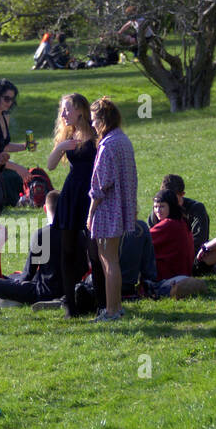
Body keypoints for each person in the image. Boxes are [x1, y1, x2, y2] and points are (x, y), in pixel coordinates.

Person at [87, 96, 138, 321]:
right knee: (113, 259)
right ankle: (116, 306)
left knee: (108, 260)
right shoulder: (123, 140)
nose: (92, 125)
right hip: (123, 206)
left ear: (103, 119)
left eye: (94, 120)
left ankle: (111, 310)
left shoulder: (108, 145)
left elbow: (101, 183)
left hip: (108, 209)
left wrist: (90, 212)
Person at [46, 93, 97, 317]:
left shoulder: (95, 133)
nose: (64, 114)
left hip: (91, 195)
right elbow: (51, 165)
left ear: (80, 110)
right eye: (63, 110)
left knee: (94, 250)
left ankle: (100, 300)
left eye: (67, 109)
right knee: (66, 251)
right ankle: (70, 304)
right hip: (71, 194)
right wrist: (61, 147)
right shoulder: (70, 135)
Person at [0, 191, 64, 307]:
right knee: (13, 277)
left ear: (44, 209)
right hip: (68, 289)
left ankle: (14, 301)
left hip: (42, 291)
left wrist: (17, 283)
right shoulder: (78, 233)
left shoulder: (41, 234)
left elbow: (28, 273)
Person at [147, 174, 209, 251]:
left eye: (174, 199)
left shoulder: (195, 209)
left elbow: (199, 239)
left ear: (182, 194)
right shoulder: (158, 211)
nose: (170, 204)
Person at [149, 189, 195, 280]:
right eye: (155, 207)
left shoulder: (168, 224)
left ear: (171, 206)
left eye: (162, 206)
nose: (158, 210)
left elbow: (143, 239)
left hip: (169, 275)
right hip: (183, 273)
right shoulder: (182, 221)